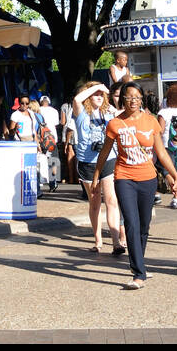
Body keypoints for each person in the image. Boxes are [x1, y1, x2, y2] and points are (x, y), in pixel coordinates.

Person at [93, 82, 177, 288]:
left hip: (148, 178)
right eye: (129, 97)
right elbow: (105, 152)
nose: (133, 100)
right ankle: (138, 273)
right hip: (124, 177)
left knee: (144, 225)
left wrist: (174, 175)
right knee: (131, 223)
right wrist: (97, 175)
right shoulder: (115, 124)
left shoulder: (151, 121)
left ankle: (139, 261)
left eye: (137, 97)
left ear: (142, 99)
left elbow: (161, 153)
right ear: (122, 99)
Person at [73, 83, 125, 254]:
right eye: (95, 94)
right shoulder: (80, 111)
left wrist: (108, 98)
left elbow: (123, 114)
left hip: (108, 158)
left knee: (111, 200)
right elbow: (77, 98)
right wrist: (99, 86)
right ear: (88, 96)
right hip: (87, 161)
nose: (98, 97)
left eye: (101, 95)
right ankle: (98, 241)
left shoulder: (107, 112)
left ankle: (116, 242)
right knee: (95, 202)